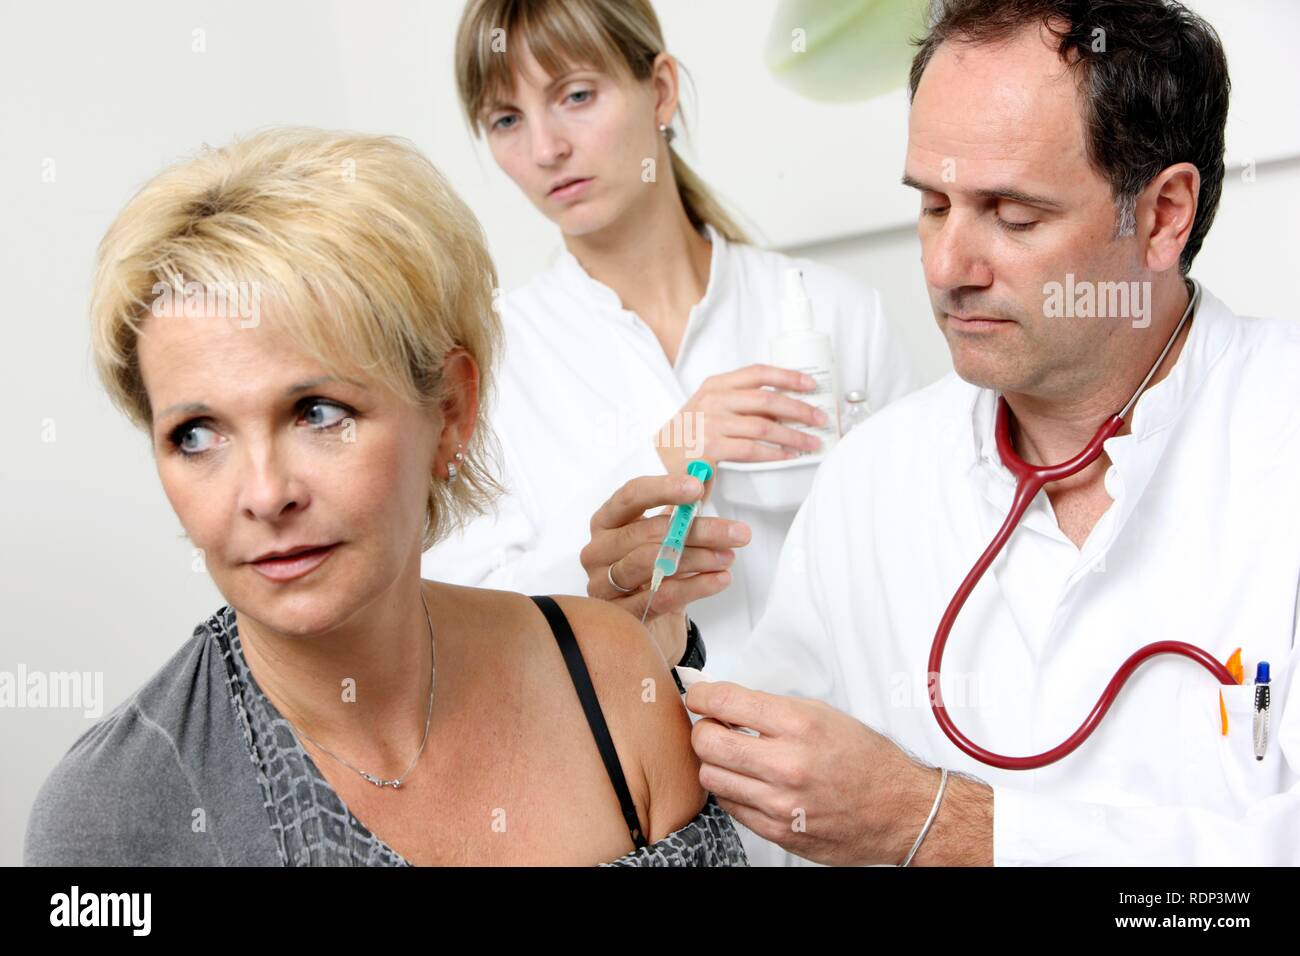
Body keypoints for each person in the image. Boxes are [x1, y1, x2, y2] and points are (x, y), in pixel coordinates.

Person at [616, 0, 1299, 865]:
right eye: (934, 205)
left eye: (1012, 215)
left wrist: (938, 825)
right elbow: (759, 816)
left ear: (1163, 216)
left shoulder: (1282, 434)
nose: (945, 269)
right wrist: (643, 652)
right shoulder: (872, 480)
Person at [23, 126, 747, 867]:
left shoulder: (609, 676)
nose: (265, 495)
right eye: (198, 434)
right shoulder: (111, 816)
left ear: (452, 411)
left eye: (317, 413)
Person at [422, 0, 921, 679]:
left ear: (659, 90)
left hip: (831, 762)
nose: (546, 149)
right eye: (507, 120)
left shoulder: (839, 313)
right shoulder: (489, 367)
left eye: (575, 96)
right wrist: (663, 453)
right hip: (615, 773)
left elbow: (918, 571)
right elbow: (463, 624)